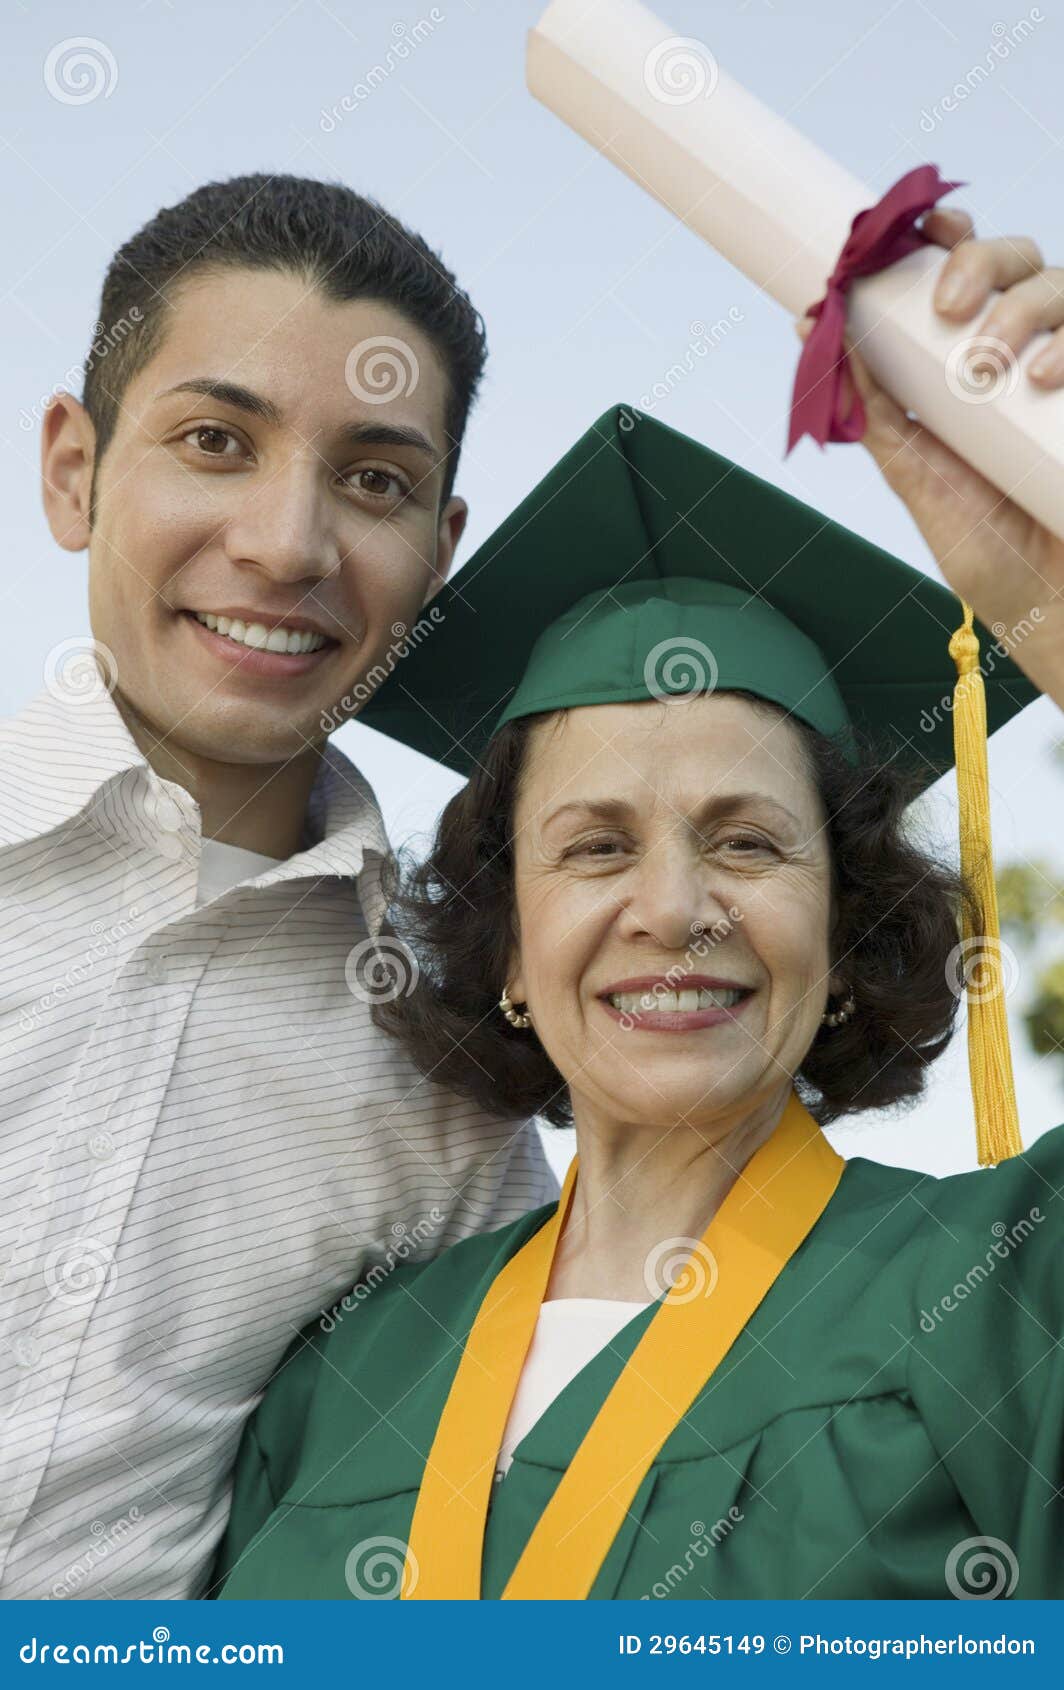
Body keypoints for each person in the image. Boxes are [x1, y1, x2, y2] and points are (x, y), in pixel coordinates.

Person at [208, 382, 1062, 1601]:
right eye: (596, 846)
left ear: (842, 924)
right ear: (506, 944)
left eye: (747, 843)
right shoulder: (347, 1369)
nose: (671, 908)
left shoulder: (1000, 1284)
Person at [0, 173, 554, 1601]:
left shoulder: (449, 1071)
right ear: (74, 469)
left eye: (375, 479)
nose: (288, 543)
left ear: (441, 551)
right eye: (213, 440)